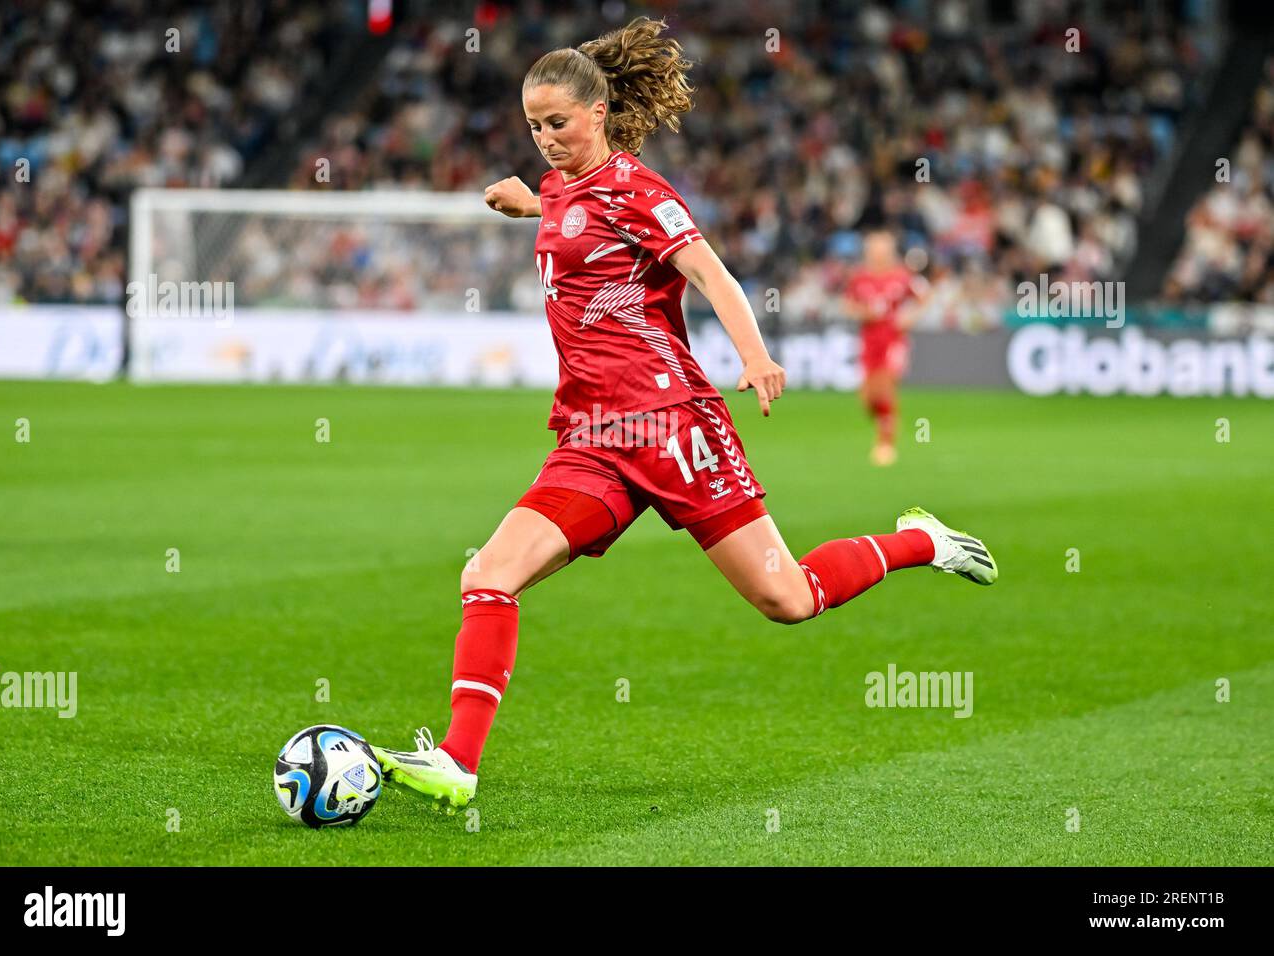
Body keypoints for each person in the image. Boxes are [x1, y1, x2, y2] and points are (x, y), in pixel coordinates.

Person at [372, 17, 996, 814]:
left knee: (789, 599)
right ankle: (459, 762)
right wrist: (528, 201)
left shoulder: (641, 190)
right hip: (594, 438)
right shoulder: (561, 185)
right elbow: (571, 212)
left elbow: (712, 274)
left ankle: (924, 540)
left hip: (673, 425)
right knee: (488, 574)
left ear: (598, 114)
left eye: (558, 123)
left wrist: (756, 355)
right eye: (533, 127)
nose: (546, 139)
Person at [842, 229, 928, 466]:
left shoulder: (902, 276)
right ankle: (884, 423)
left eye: (883, 249)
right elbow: (847, 304)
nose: (878, 254)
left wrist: (909, 317)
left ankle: (885, 444)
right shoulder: (860, 277)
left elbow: (924, 297)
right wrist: (863, 313)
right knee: (868, 398)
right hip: (869, 340)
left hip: (893, 339)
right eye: (874, 249)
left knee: (885, 386)